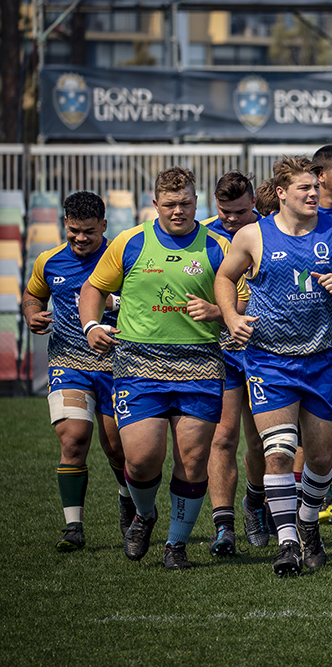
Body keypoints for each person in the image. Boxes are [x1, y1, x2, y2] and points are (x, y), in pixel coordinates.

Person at [215, 155, 332, 576]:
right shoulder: (253, 235)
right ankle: (287, 542)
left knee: (321, 460)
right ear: (282, 193)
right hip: (271, 361)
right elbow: (224, 278)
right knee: (279, 451)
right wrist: (232, 317)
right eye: (303, 188)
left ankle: (307, 523)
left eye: (314, 187)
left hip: (325, 361)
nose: (312, 194)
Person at [80, 166, 242, 570]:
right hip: (138, 364)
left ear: (197, 202)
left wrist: (220, 312)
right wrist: (92, 325)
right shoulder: (130, 241)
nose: (178, 211)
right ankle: (145, 515)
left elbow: (244, 301)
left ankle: (176, 544)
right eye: (169, 204)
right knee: (140, 459)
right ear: (155, 204)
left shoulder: (219, 245)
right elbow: (94, 288)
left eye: (186, 203)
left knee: (192, 459)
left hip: (200, 363)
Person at [22, 191, 132, 551]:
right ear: (64, 225)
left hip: (119, 363)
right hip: (68, 363)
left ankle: (128, 499)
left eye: (88, 231)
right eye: (73, 232)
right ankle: (74, 527)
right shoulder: (48, 262)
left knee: (117, 448)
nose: (80, 238)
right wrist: (31, 313)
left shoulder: (124, 257)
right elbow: (31, 295)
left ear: (104, 225)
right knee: (73, 439)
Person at [199, 171, 269, 555]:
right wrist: (219, 313)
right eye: (224, 211)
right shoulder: (205, 235)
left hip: (264, 350)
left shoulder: (272, 232)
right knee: (222, 437)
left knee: (260, 440)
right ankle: (223, 525)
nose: (231, 219)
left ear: (254, 204)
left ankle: (254, 503)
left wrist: (222, 310)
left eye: (239, 211)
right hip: (221, 352)